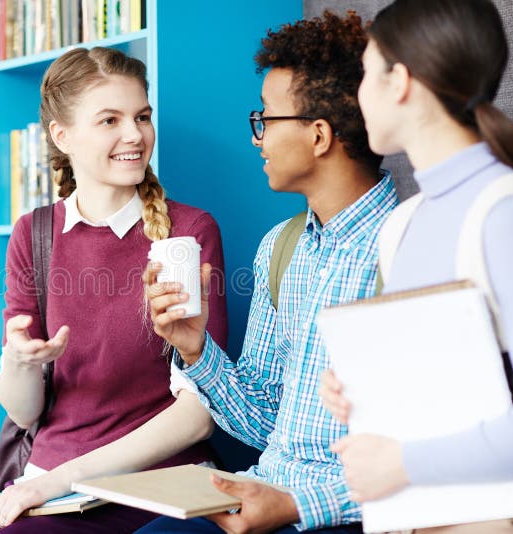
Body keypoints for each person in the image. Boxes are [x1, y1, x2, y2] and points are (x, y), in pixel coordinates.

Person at [139, 11, 397, 534]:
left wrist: (298, 506)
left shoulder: (408, 247)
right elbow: (264, 424)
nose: (257, 138)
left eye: (266, 119)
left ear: (319, 135)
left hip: (347, 515)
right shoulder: (279, 249)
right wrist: (194, 350)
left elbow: (432, 459)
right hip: (265, 489)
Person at [0, 47, 229, 533]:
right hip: (50, 488)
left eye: (142, 116)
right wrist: (21, 363)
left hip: (157, 485)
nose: (134, 135)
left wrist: (60, 481)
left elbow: (200, 415)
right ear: (61, 135)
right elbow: (25, 411)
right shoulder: (34, 234)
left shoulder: (187, 234)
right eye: (109, 120)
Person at [319, 0, 513, 530]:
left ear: (399, 81)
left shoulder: (502, 211)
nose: (357, 95)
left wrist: (402, 463)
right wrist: (364, 389)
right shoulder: (402, 225)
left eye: (364, 73)